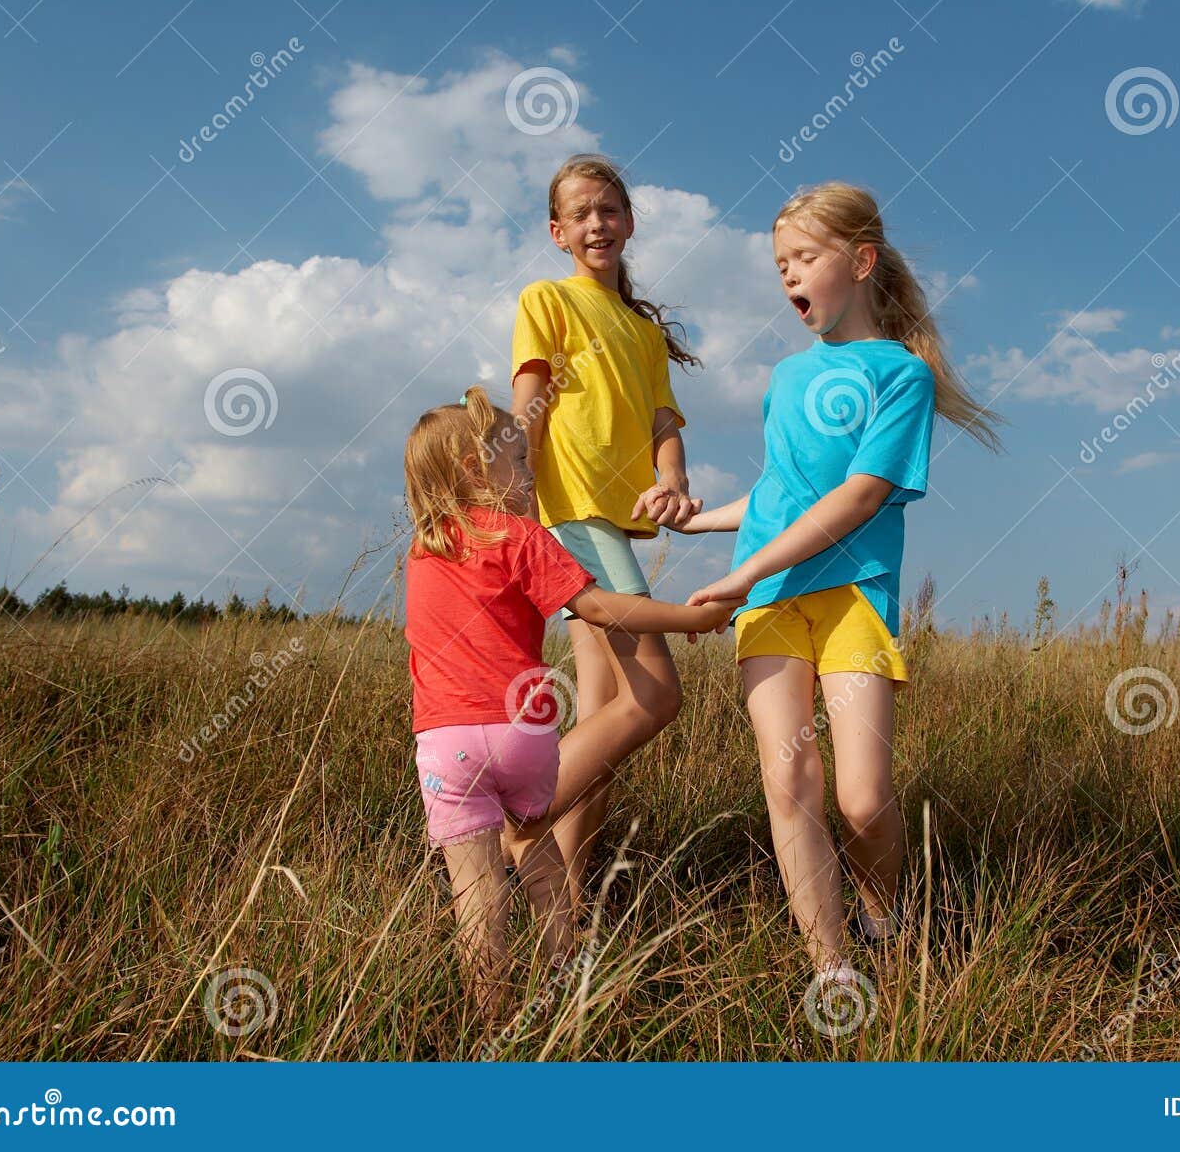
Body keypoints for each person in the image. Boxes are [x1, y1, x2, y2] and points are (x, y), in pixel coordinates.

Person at [680, 183, 1002, 986]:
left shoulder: (903, 377)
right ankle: (833, 966)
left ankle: (883, 915)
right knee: (790, 778)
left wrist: (748, 565)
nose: (789, 276)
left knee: (861, 798)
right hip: (768, 601)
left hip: (856, 593)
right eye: (780, 263)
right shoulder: (786, 379)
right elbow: (777, 494)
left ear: (860, 262)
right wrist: (695, 522)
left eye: (806, 258)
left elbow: (858, 495)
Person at [404, 387, 738, 1015]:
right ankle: (564, 982)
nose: (531, 476)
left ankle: (491, 1020)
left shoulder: (424, 550)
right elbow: (596, 608)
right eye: (520, 464)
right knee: (539, 851)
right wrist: (691, 621)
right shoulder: (520, 537)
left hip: (445, 743)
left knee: (477, 897)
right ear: (479, 471)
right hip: (520, 736)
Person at [510, 153, 705, 905]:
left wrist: (673, 477)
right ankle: (512, 827)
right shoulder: (546, 299)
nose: (598, 223)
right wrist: (515, 496)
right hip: (571, 516)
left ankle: (563, 903)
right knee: (656, 696)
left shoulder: (642, 333)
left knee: (604, 722)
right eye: (581, 213)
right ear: (558, 232)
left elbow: (663, 421)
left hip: (616, 526)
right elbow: (529, 397)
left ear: (628, 221)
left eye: (610, 209)